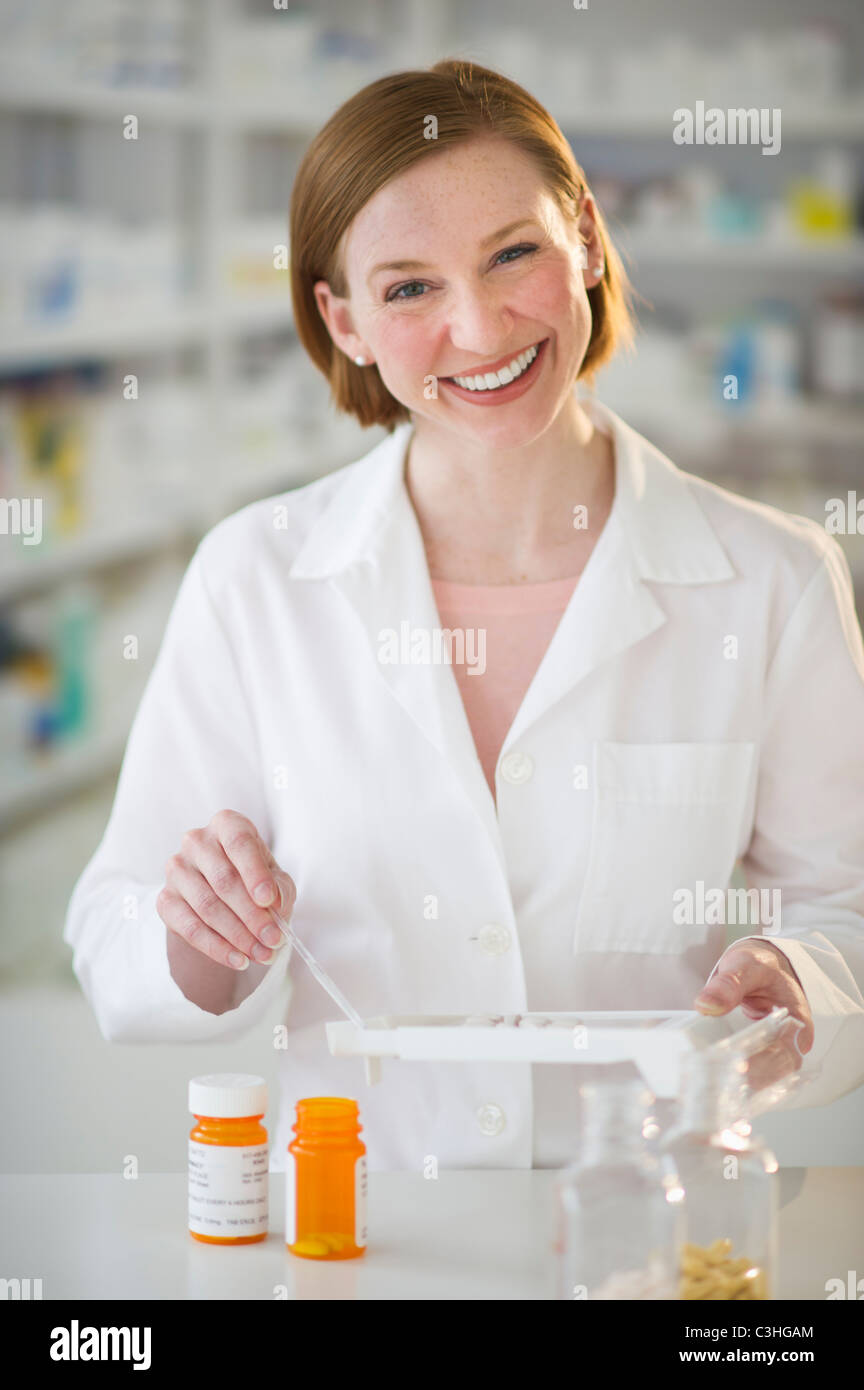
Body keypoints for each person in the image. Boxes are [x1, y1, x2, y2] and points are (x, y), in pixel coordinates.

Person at [65, 59, 864, 1170]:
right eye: (408, 289)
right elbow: (115, 930)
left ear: (584, 237)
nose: (481, 325)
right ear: (341, 321)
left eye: (513, 253)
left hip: (650, 1226)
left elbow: (847, 908)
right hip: (361, 1238)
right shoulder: (258, 577)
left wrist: (799, 985)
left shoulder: (769, 578)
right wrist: (200, 937)